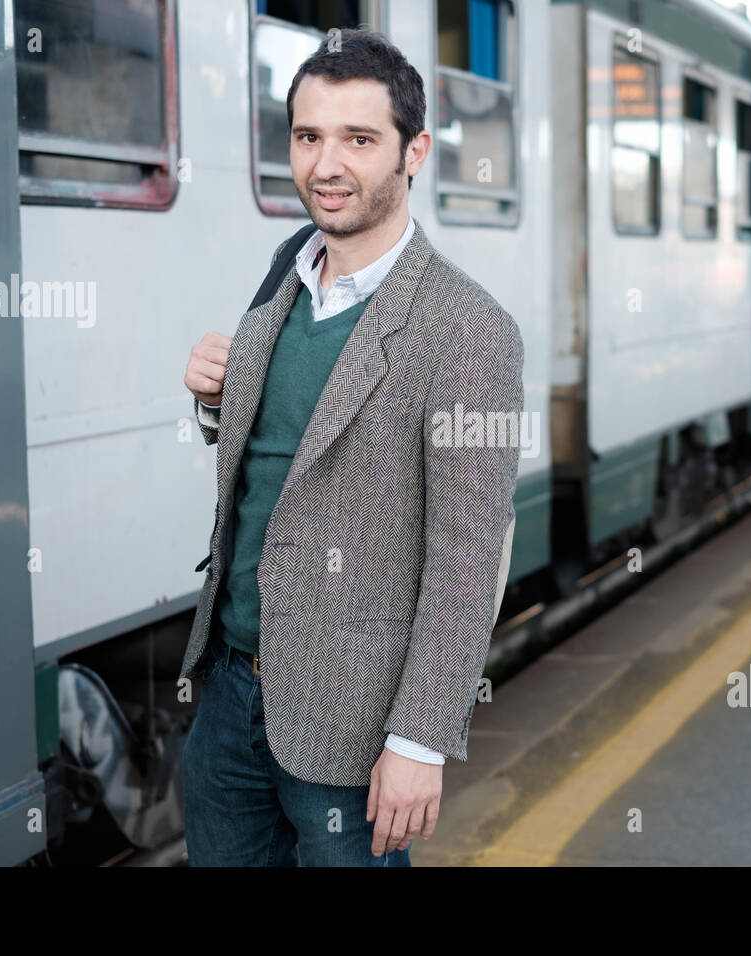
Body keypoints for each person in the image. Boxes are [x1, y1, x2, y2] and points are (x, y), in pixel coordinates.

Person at [179, 28, 523, 866]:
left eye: (358, 140)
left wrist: (420, 740)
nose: (326, 166)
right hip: (228, 695)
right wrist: (217, 409)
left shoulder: (468, 330)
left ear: (415, 153)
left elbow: (468, 557)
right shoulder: (283, 273)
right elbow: (283, 461)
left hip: (352, 721)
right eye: (308, 137)